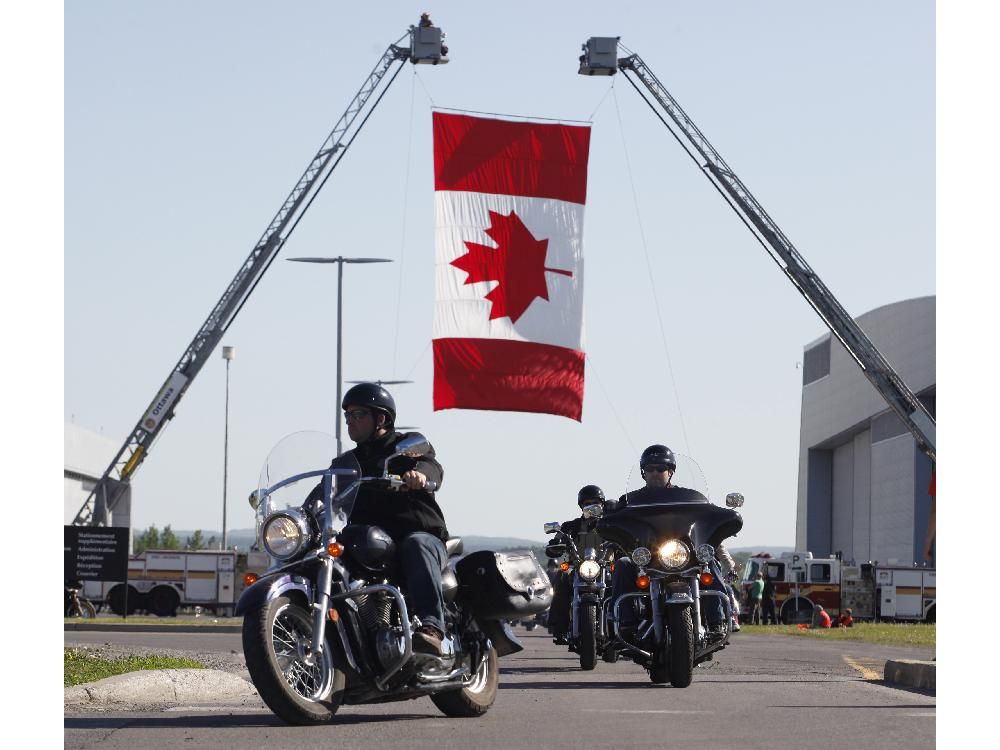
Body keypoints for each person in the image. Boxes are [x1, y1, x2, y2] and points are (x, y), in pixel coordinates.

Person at [323, 382, 449, 657]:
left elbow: (431, 465)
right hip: (374, 543)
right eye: (347, 415)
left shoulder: (404, 447)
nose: (350, 421)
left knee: (415, 545)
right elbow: (322, 493)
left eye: (358, 414)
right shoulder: (346, 464)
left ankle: (432, 627)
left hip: (421, 536)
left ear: (381, 419)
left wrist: (420, 475)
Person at [609, 444, 737, 641]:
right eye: (650, 469)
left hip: (684, 555)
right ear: (643, 472)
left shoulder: (690, 498)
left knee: (709, 563)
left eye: (660, 468)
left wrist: (722, 514)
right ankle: (625, 623)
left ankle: (716, 621)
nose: (655, 473)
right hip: (648, 557)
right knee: (623, 564)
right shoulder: (630, 500)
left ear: (670, 471)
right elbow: (616, 519)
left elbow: (707, 514)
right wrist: (609, 518)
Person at [547, 484, 608, 644]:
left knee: (623, 580)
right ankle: (559, 627)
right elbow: (558, 539)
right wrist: (555, 545)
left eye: (595, 502)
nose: (591, 506)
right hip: (578, 568)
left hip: (606, 568)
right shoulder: (571, 526)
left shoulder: (611, 525)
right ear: (581, 506)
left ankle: (626, 625)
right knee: (562, 576)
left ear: (602, 504)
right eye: (587, 503)